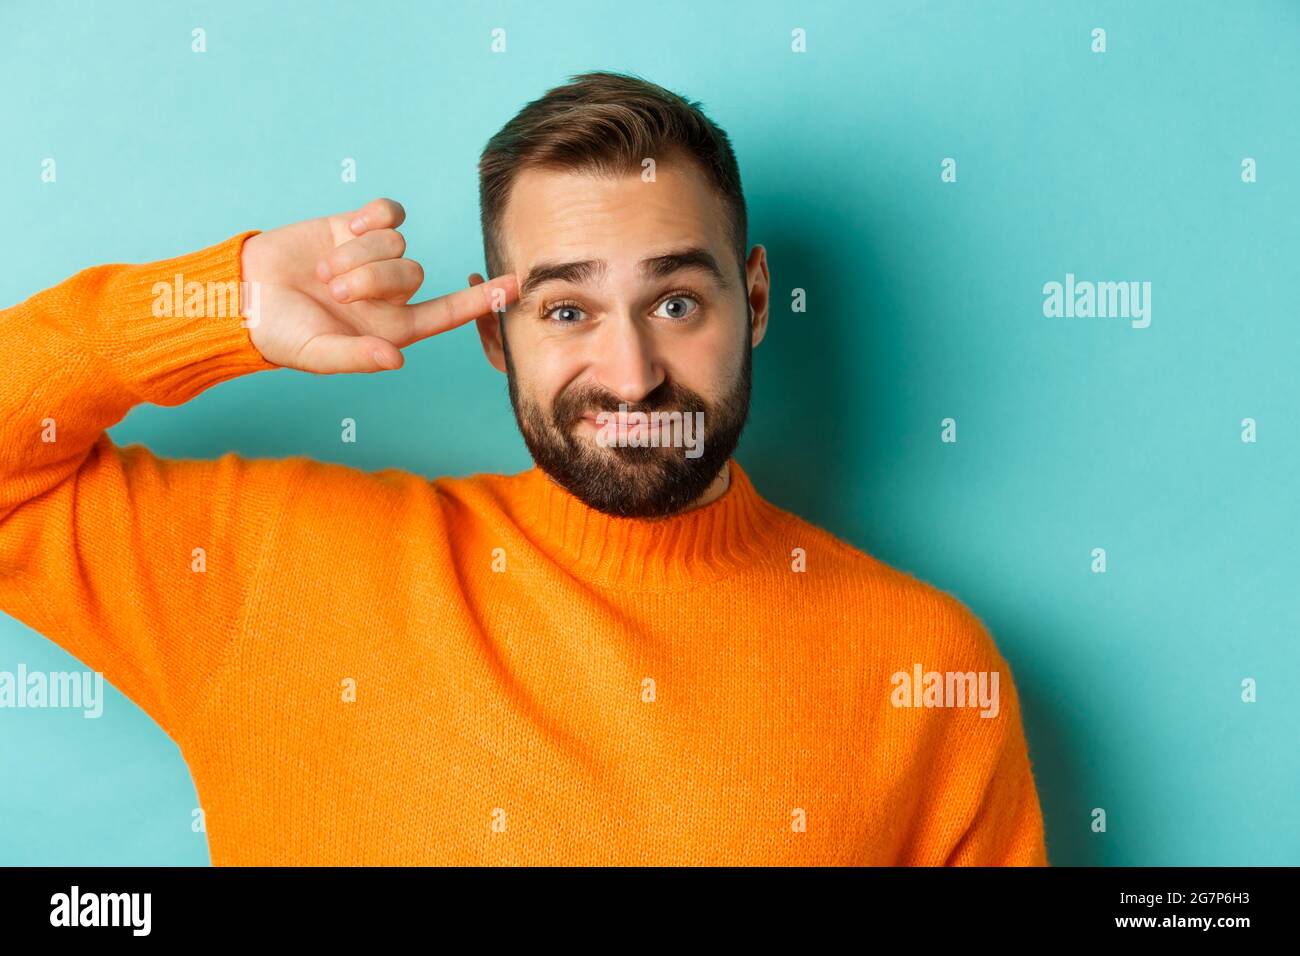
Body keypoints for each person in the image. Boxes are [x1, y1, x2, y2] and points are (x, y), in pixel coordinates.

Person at [0, 71, 1047, 865]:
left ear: (757, 300)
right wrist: (217, 302)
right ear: (496, 334)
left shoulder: (923, 665)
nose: (631, 377)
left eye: (675, 301)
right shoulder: (272, 567)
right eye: (566, 311)